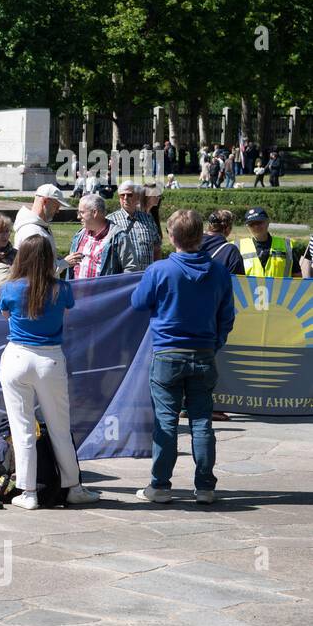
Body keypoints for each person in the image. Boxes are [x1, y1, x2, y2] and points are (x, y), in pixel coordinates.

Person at [131, 209, 235, 505]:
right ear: (200, 236)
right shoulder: (218, 272)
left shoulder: (160, 270)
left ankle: (160, 486)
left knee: (166, 421)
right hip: (203, 353)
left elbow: (138, 303)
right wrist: (214, 344)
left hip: (167, 353)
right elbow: (227, 316)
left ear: (171, 236)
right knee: (202, 421)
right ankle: (205, 486)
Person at [0, 235, 101, 510]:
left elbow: (7, 316)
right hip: (49, 359)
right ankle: (73, 487)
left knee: (22, 429)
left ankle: (28, 492)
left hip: (16, 356)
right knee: (59, 428)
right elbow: (63, 311)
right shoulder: (61, 289)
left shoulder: (10, 288)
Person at [64, 194, 134, 279]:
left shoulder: (118, 237)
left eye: (81, 212)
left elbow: (130, 270)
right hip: (76, 292)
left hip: (105, 292)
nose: (78, 217)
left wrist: (117, 290)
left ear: (94, 213)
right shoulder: (79, 236)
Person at [106, 181, 160, 272]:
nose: (125, 198)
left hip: (146, 276)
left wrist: (157, 271)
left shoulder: (148, 219)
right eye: (122, 195)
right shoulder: (110, 220)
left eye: (129, 195)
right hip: (123, 280)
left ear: (138, 197)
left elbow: (157, 248)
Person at [236, 206, 292, 278]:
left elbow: (297, 275)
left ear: (268, 222)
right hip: (250, 289)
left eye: (259, 222)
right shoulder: (238, 247)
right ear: (247, 227)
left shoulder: (287, 245)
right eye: (251, 224)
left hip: (280, 289)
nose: (256, 226)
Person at [13, 184, 65, 248]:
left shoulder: (39, 225)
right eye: (56, 206)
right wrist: (64, 259)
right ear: (45, 201)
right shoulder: (32, 231)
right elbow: (34, 258)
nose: (57, 211)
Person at [199, 210, 244, 276]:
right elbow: (237, 283)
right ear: (228, 228)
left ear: (209, 225)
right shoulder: (230, 251)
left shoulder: (190, 243)